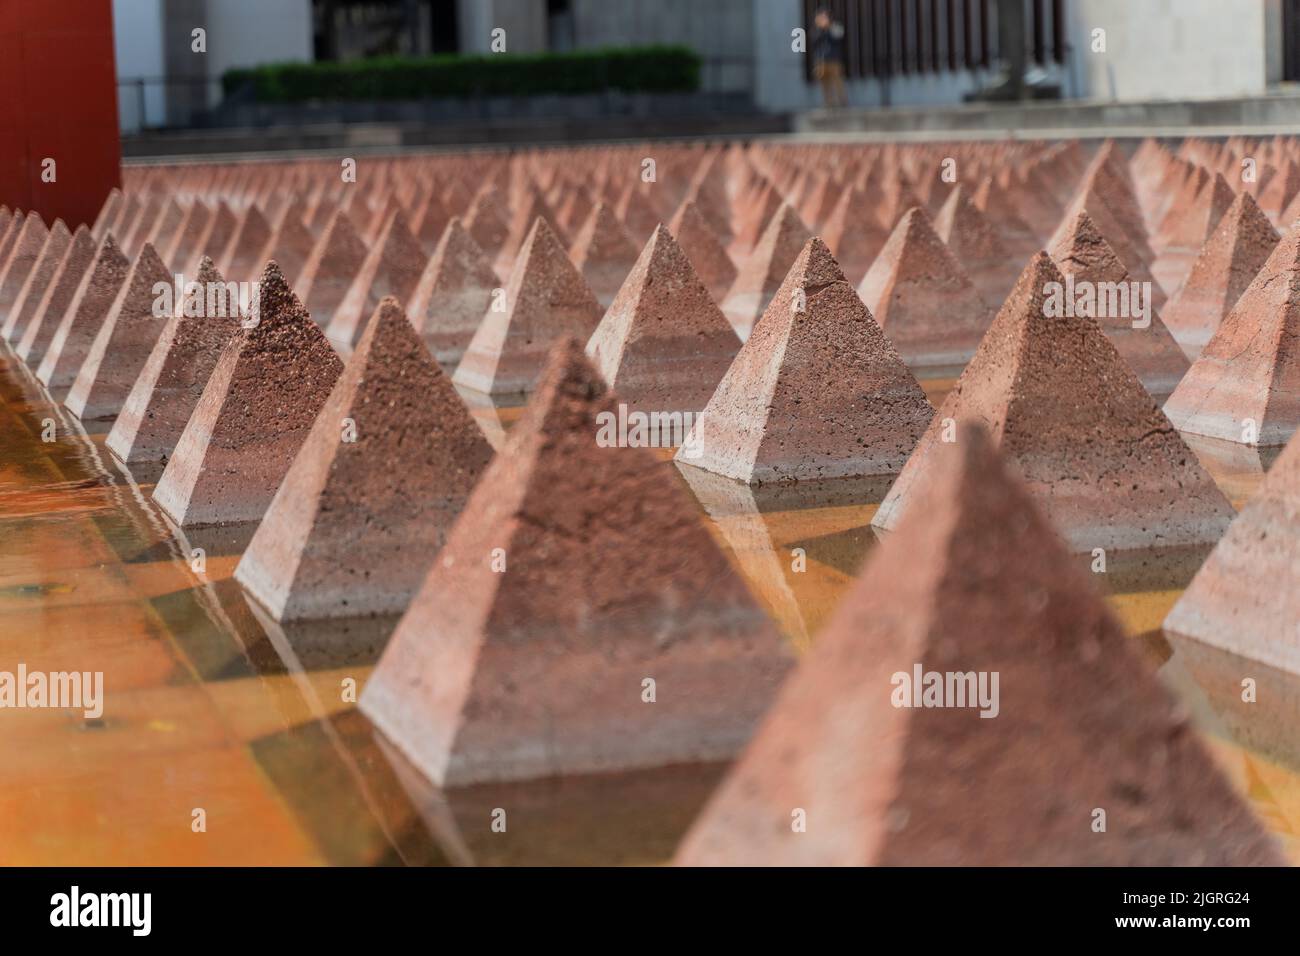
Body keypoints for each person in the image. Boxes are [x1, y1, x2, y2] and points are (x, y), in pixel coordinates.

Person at [811, 8, 847, 109]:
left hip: (834, 59)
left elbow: (838, 38)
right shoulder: (816, 30)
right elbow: (814, 41)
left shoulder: (836, 27)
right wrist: (820, 29)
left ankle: (842, 102)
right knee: (824, 84)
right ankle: (829, 103)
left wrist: (827, 29)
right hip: (821, 60)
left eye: (824, 17)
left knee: (837, 82)